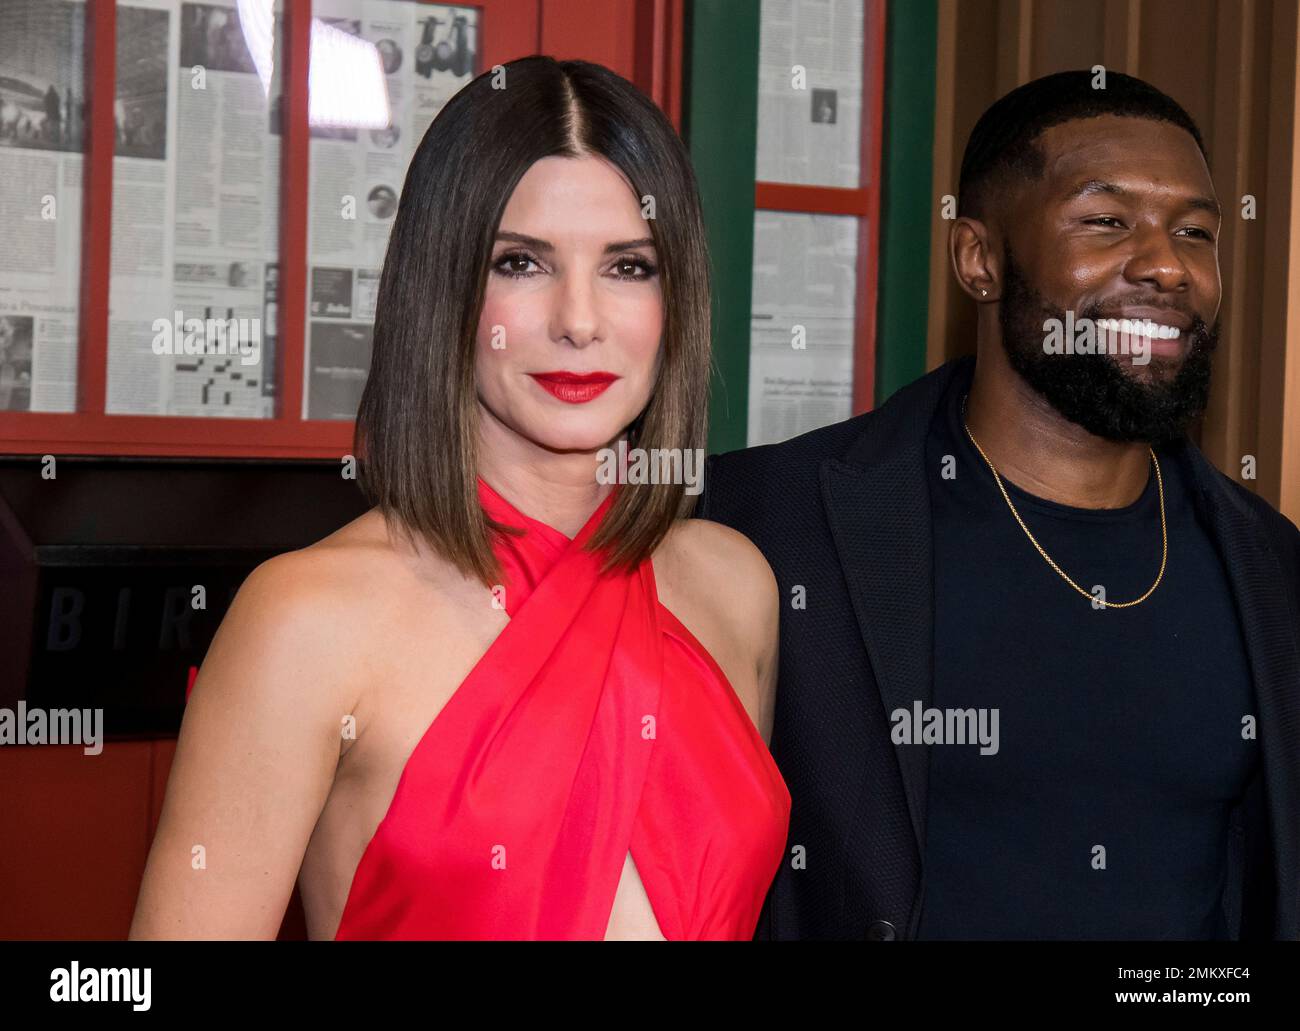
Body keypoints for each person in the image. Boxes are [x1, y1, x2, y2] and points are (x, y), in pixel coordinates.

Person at [130, 55, 788, 941]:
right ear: (443, 288)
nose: (579, 320)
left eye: (629, 267)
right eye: (521, 262)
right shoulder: (306, 618)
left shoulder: (734, 586)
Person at [699, 70, 1300, 941]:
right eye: (1106, 220)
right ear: (979, 259)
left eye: (1195, 232)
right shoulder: (768, 525)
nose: (1167, 264)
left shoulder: (1269, 567)